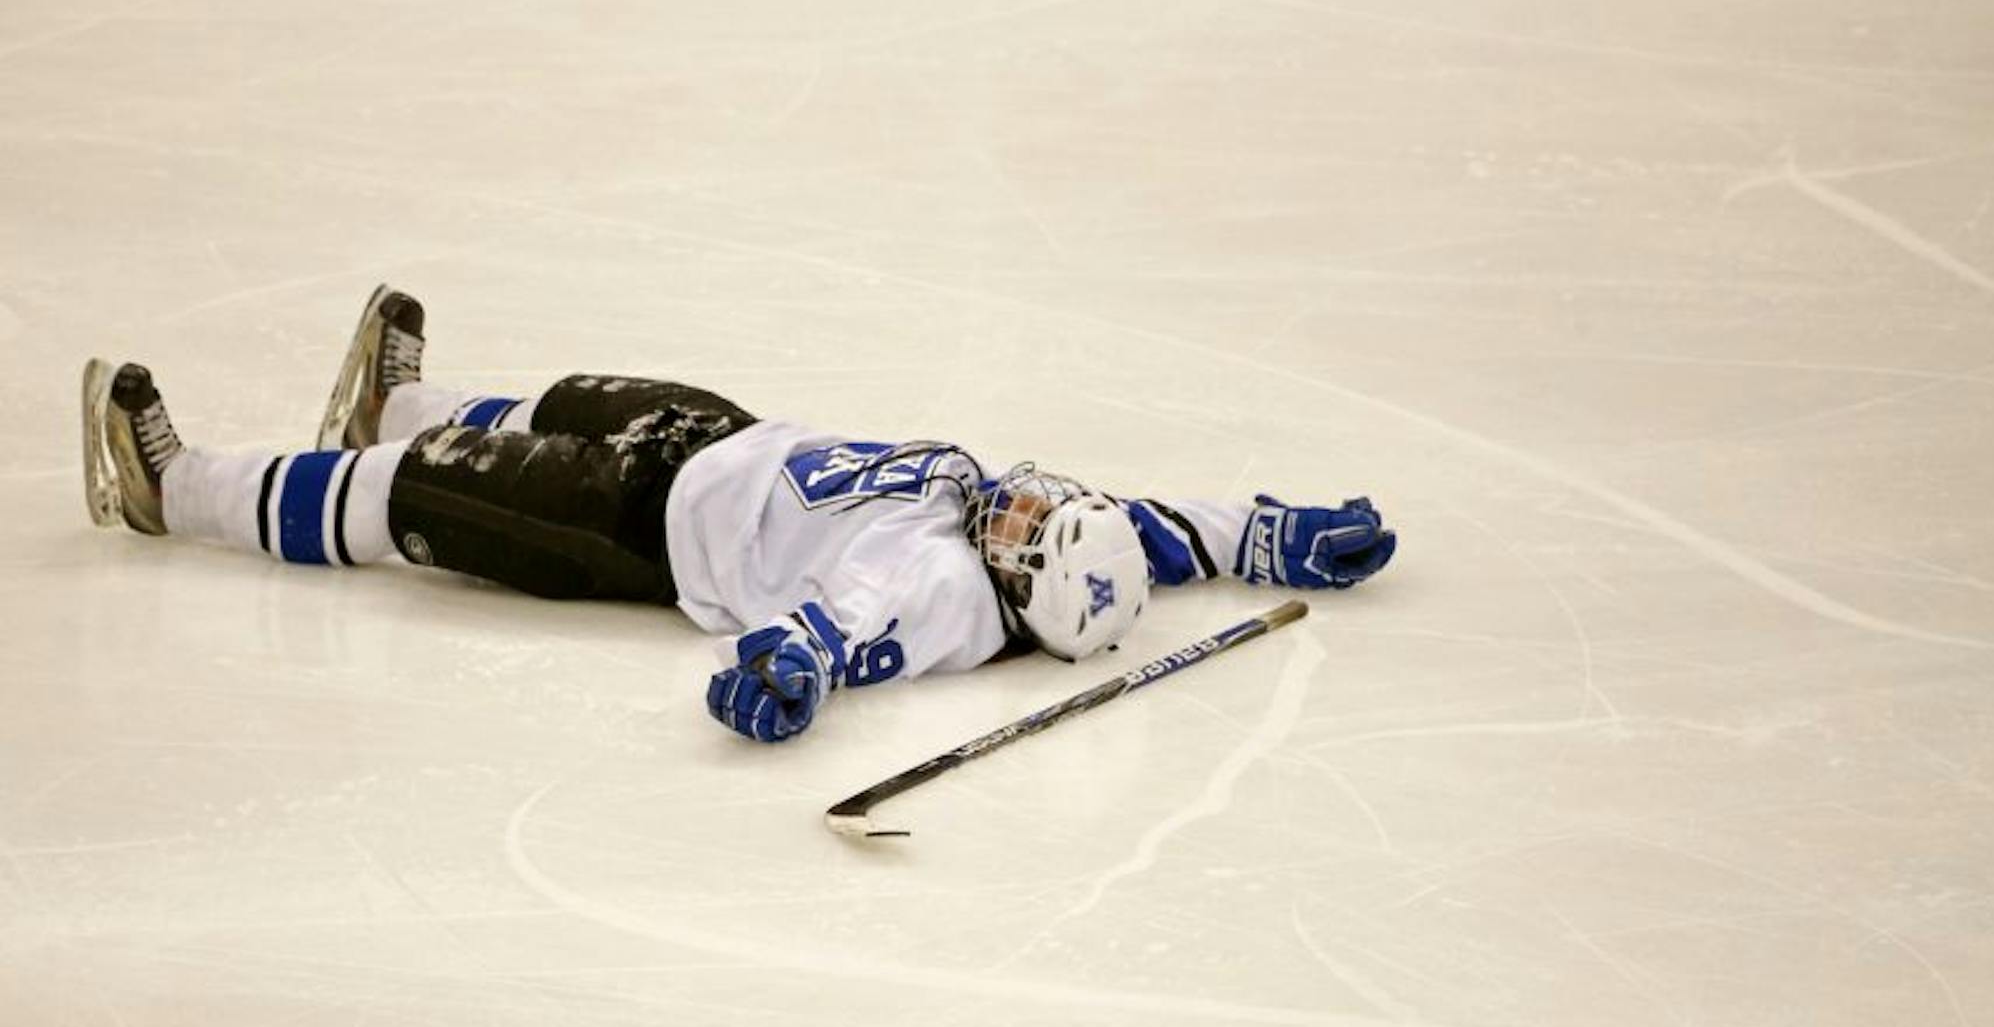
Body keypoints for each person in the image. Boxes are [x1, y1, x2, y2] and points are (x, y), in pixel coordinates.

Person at [81, 287, 1399, 742]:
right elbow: (1165, 528)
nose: (1022, 499)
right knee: (566, 392)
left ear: (1007, 593)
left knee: (410, 506)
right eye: (1045, 503)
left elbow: (848, 633)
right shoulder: (1063, 538)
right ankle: (402, 398)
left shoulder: (941, 596)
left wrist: (791, 667)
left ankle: (171, 487)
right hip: (724, 435)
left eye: (1024, 529)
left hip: (638, 526)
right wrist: (1270, 535)